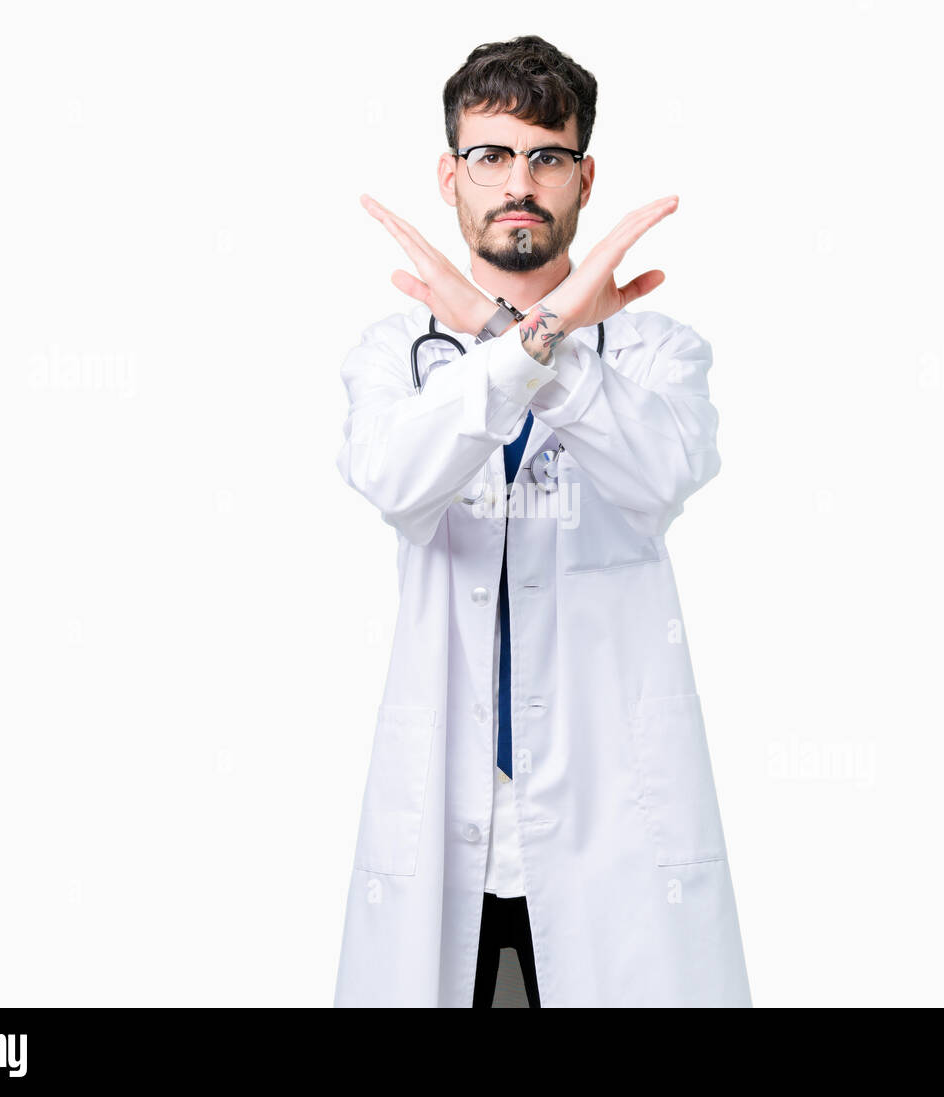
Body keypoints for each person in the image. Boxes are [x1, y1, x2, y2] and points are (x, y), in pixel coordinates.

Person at [333, 35, 751, 1008]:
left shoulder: (656, 353)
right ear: (450, 175)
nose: (518, 183)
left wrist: (507, 338)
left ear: (583, 176)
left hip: (617, 839)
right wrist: (518, 346)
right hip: (447, 842)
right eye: (490, 156)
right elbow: (398, 479)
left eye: (546, 156)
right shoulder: (393, 356)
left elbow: (658, 472)